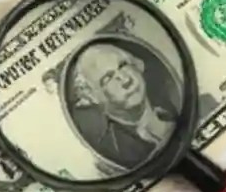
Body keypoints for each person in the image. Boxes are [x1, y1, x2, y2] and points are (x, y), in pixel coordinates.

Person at [69, 41, 178, 170]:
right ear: (92, 96)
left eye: (123, 65)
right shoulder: (112, 155)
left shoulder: (180, 109)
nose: (126, 80)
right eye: (108, 78)